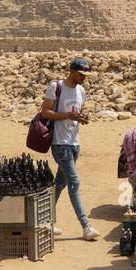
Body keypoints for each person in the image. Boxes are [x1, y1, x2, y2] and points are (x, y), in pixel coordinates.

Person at [42, 58, 99, 241]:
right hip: (60, 143)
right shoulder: (56, 86)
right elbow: (45, 112)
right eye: (81, 74)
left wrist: (81, 118)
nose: (84, 78)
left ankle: (44, 221)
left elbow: (77, 113)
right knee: (74, 183)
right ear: (72, 71)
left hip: (75, 142)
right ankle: (86, 226)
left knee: (60, 184)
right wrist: (68, 115)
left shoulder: (81, 90)